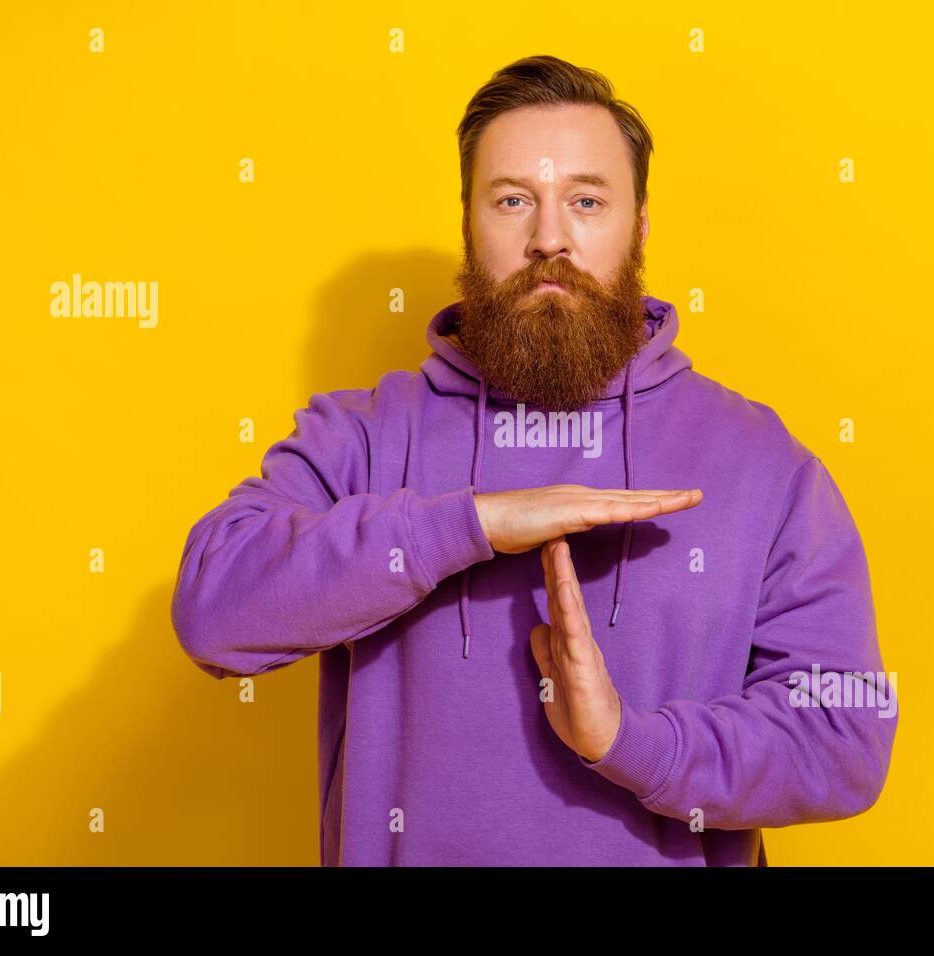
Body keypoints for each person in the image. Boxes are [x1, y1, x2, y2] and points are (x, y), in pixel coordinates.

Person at [170, 54, 897, 866]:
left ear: (641, 225)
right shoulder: (365, 436)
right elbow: (214, 611)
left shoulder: (763, 463)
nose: (549, 238)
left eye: (586, 201)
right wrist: (468, 523)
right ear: (468, 223)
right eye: (513, 200)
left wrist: (632, 742)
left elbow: (843, 737)